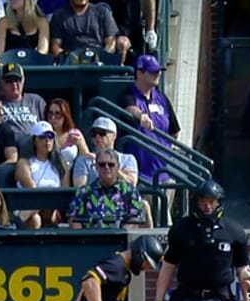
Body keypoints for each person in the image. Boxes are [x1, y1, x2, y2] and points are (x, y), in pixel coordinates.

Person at [118, 54, 180, 185]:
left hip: (164, 173)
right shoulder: (128, 94)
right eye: (152, 72)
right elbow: (129, 108)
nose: (157, 74)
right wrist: (141, 115)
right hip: (140, 176)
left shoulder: (161, 98)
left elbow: (174, 131)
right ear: (139, 73)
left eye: (158, 71)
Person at [64, 147, 148, 227]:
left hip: (122, 239)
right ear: (96, 167)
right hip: (92, 239)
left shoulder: (130, 191)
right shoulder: (84, 192)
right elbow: (73, 218)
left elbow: (137, 218)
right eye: (102, 165)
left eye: (111, 165)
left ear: (117, 167)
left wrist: (121, 235)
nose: (106, 167)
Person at [13, 119, 65, 227]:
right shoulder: (24, 163)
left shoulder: (59, 165)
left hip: (52, 211)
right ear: (34, 141)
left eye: (50, 136)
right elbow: (33, 192)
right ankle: (15, 224)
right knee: (35, 219)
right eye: (42, 137)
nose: (47, 140)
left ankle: (13, 225)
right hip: (29, 206)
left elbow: (65, 191)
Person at [49, 0, 124, 63]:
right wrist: (68, 58)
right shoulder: (59, 15)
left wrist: (103, 58)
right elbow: (56, 46)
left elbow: (111, 43)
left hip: (98, 61)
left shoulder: (103, 12)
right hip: (72, 62)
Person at [71, 116, 137, 187]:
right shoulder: (84, 160)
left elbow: (131, 185)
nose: (97, 136)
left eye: (102, 133)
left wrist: (115, 170)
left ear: (114, 136)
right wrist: (121, 175)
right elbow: (80, 189)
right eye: (94, 133)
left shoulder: (128, 159)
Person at [0, 62, 46, 134]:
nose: (14, 84)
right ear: (2, 82)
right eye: (9, 81)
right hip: (7, 143)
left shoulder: (36, 101)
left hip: (34, 142)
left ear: (23, 80)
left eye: (17, 80)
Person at [44, 96, 89, 166]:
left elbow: (86, 157)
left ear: (65, 116)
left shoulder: (74, 134)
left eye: (57, 114)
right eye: (50, 113)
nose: (53, 117)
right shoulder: (43, 135)